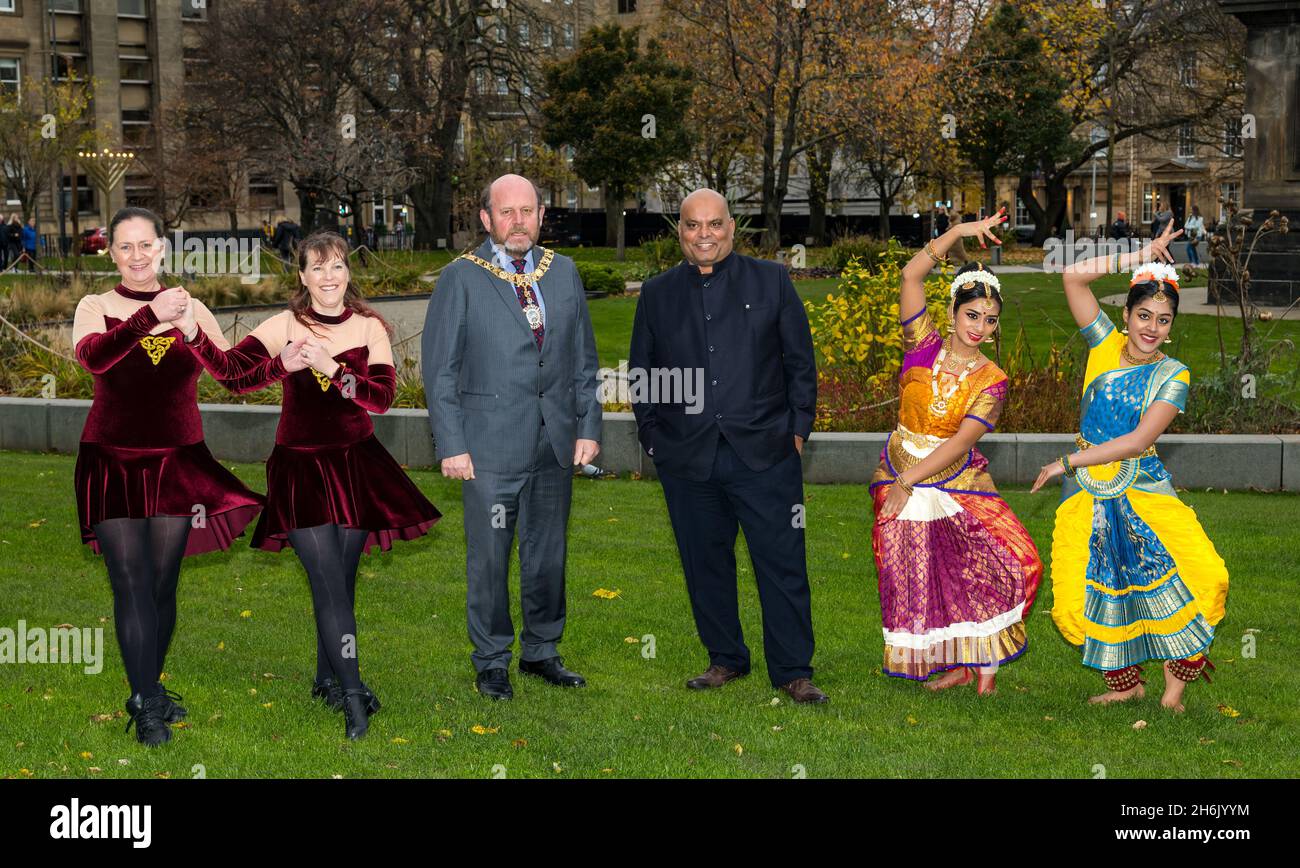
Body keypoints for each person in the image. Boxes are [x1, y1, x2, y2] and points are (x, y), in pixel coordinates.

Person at [181, 230, 441, 739]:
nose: (329, 276)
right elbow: (234, 375)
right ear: (301, 276)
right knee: (327, 584)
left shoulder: (370, 327)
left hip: (356, 466)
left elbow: (383, 398)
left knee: (339, 584)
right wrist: (199, 336)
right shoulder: (285, 324)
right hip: (300, 470)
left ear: (348, 272)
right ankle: (352, 693)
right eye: (317, 267)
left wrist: (333, 370)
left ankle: (326, 678)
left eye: (338, 265)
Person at [71, 206, 265, 747]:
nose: (137, 255)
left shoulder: (190, 304)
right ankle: (148, 708)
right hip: (112, 461)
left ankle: (146, 690)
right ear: (111, 253)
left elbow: (232, 376)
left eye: (146, 245)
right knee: (130, 584)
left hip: (177, 463)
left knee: (161, 585)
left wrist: (190, 330)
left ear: (162, 248)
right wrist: (147, 316)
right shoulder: (96, 305)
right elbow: (93, 359)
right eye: (125, 246)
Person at [628, 188, 828, 704]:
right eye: (693, 226)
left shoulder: (772, 281)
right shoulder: (657, 293)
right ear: (680, 231)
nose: (704, 235)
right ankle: (725, 658)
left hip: (766, 452)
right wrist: (654, 442)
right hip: (687, 458)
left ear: (732, 227)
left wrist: (797, 432)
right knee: (704, 563)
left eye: (714, 224)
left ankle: (792, 670)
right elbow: (643, 376)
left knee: (782, 564)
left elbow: (800, 365)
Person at [1031, 219, 1229, 712]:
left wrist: (1066, 461)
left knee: (1202, 576)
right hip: (1086, 493)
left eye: (1163, 321)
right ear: (1127, 311)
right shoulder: (1102, 345)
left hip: (1142, 485)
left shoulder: (1173, 374)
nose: (1152, 329)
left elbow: (1138, 440)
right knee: (1082, 598)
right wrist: (1139, 254)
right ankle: (1125, 685)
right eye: (1144, 315)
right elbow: (1072, 277)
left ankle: (1174, 691)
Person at [422, 173, 601, 701]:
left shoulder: (563, 273)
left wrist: (588, 427)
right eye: (507, 212)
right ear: (486, 219)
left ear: (541, 216)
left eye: (527, 211)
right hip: (487, 447)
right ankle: (492, 660)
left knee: (548, 554)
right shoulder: (461, 278)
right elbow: (441, 372)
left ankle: (542, 651)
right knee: (490, 558)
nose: (518, 221)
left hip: (555, 443)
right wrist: (451, 444)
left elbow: (583, 360)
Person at [870, 207, 1042, 693]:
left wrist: (909, 484)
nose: (979, 327)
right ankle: (959, 664)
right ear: (950, 311)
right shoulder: (920, 346)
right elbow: (911, 274)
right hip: (899, 468)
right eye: (971, 315)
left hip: (953, 479)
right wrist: (960, 232)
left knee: (992, 565)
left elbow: (964, 440)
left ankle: (984, 666)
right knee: (917, 576)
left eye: (989, 320)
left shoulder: (993, 379)